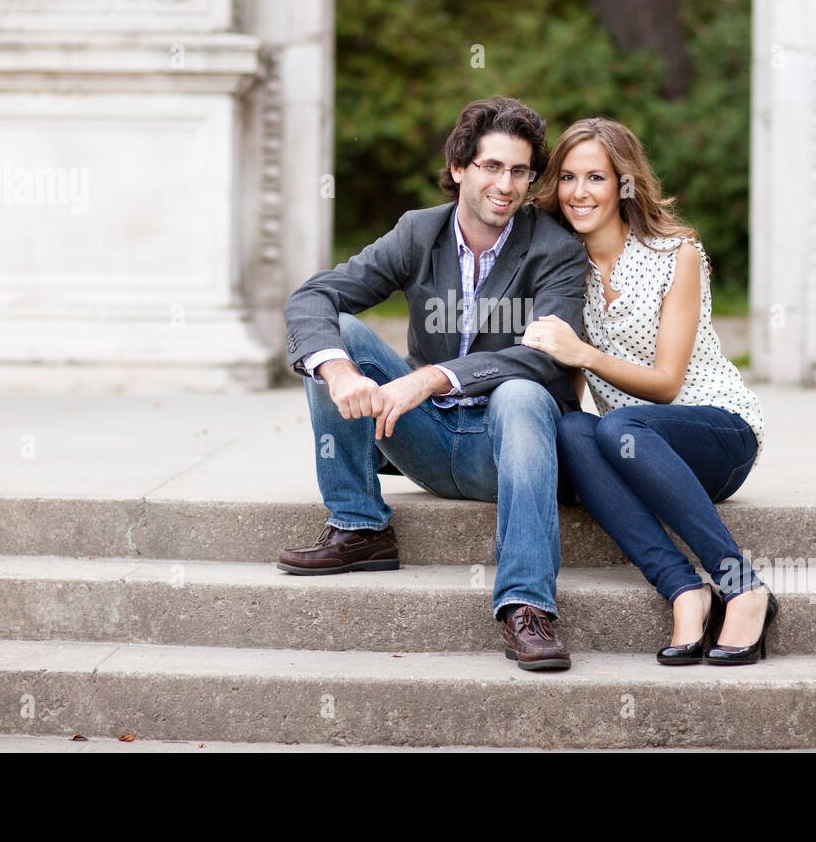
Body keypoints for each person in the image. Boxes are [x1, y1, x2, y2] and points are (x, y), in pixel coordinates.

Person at [280, 96, 588, 671]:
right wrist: (340, 370)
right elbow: (313, 297)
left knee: (522, 390)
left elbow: (544, 357)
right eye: (491, 166)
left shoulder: (555, 249)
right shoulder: (418, 232)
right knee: (337, 333)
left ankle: (526, 606)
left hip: (506, 448)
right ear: (459, 168)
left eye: (520, 171)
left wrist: (431, 378)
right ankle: (360, 526)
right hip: (422, 438)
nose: (507, 184)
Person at [521, 117, 775, 666]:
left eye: (596, 177)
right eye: (567, 177)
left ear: (624, 184)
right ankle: (685, 589)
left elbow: (666, 383)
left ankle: (744, 586)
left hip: (715, 432)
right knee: (571, 429)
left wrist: (582, 353)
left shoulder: (675, 254)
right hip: (631, 448)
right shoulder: (562, 269)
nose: (579, 193)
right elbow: (568, 392)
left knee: (616, 425)